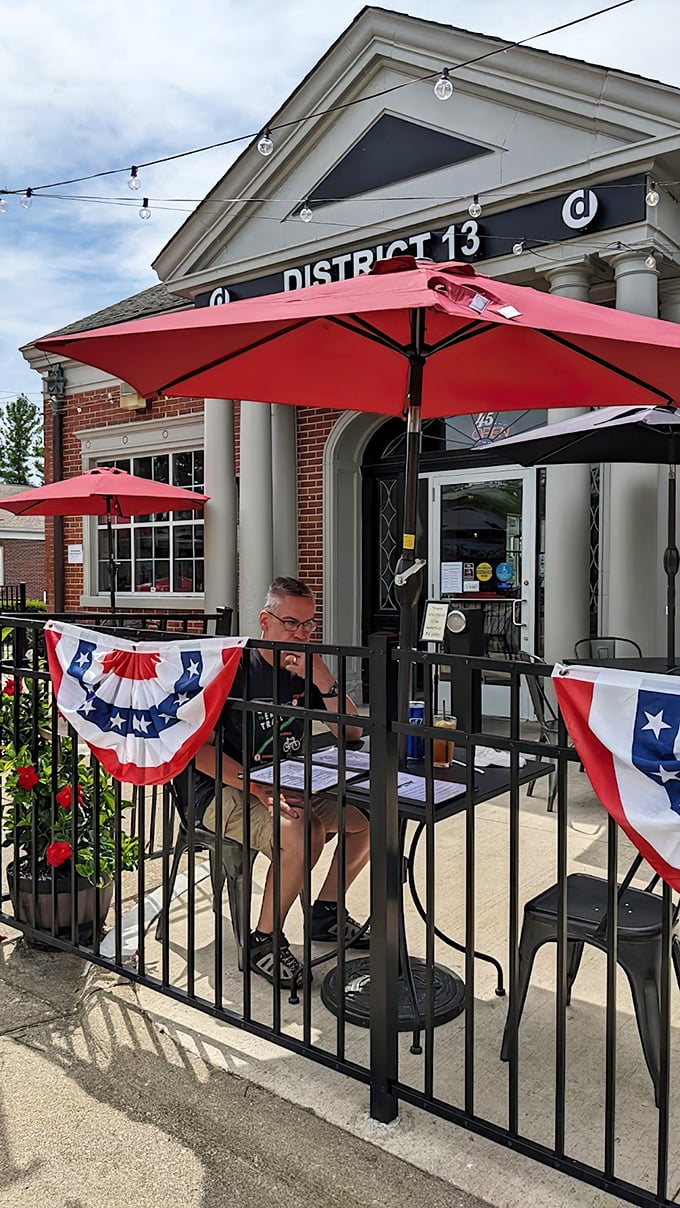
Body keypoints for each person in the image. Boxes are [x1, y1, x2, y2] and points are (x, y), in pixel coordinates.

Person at [197, 576, 370, 988]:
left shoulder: (303, 670)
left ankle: (326, 913)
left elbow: (350, 733)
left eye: (310, 625)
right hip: (222, 787)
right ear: (264, 621)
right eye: (292, 623)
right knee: (301, 830)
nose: (302, 634)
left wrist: (322, 676)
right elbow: (198, 751)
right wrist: (256, 789)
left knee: (368, 816)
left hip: (288, 782)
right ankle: (264, 941)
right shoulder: (231, 667)